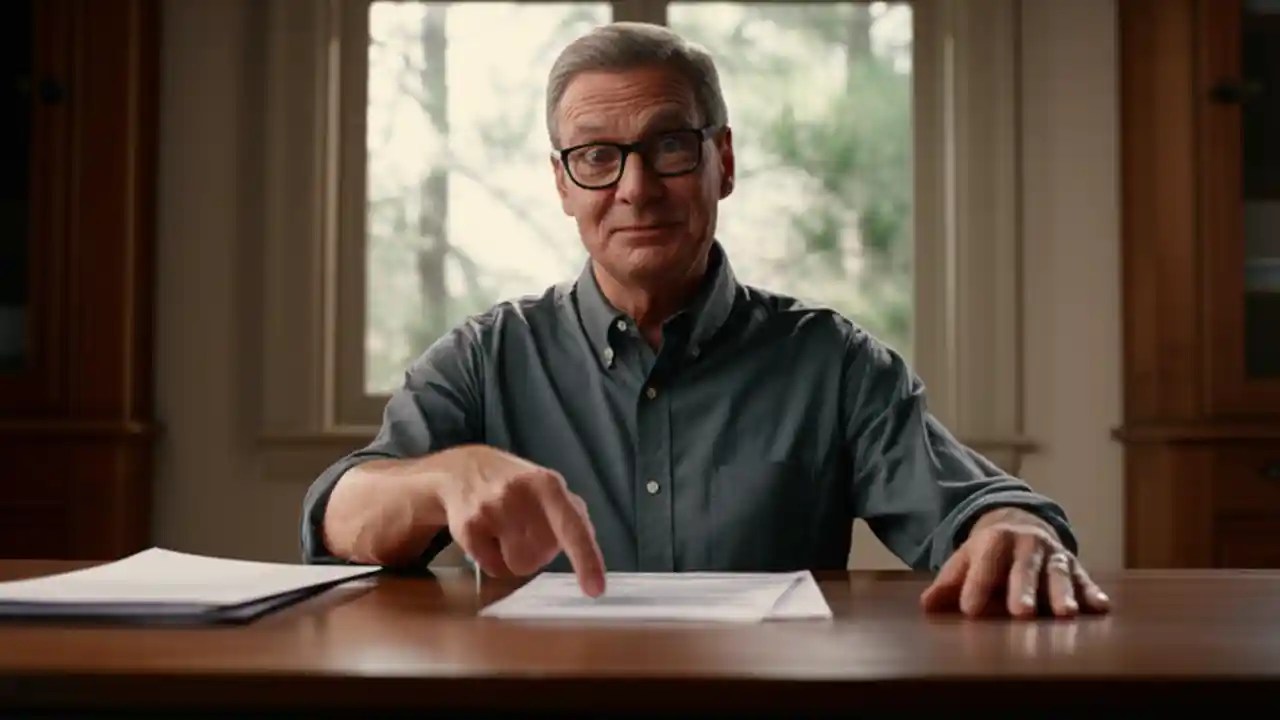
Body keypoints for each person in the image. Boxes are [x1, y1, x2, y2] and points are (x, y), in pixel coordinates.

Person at [300, 21, 1110, 620]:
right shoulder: (486, 359)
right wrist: (442, 476)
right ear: (561, 183)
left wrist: (1013, 525)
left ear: (723, 161)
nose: (636, 188)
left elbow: (978, 510)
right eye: (596, 156)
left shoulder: (831, 362)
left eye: (670, 147)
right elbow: (342, 521)